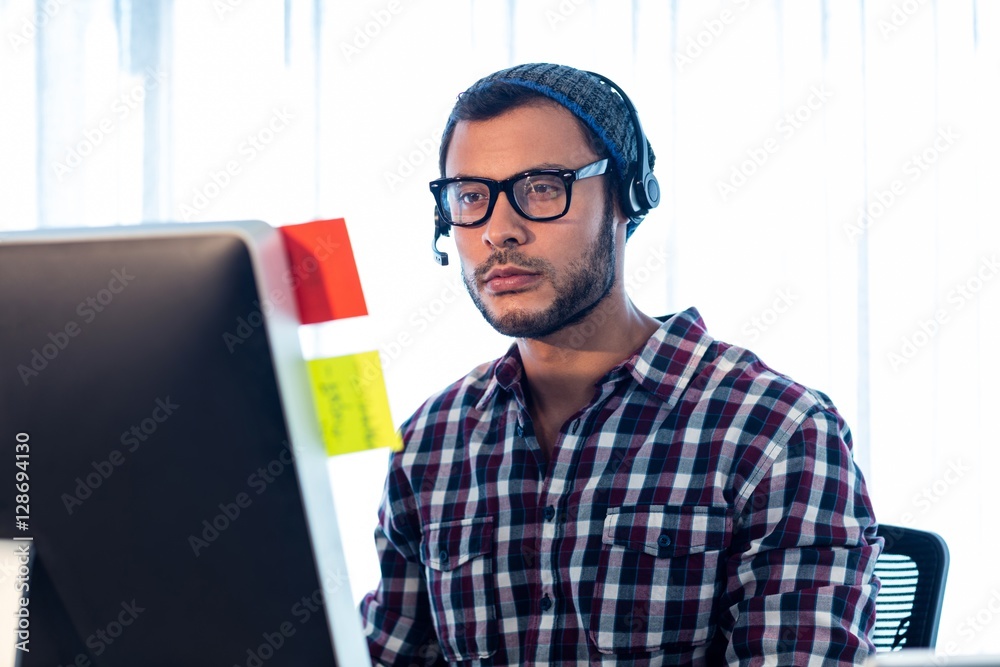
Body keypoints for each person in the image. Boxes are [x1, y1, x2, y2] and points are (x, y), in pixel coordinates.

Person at [360, 63, 881, 666]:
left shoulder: (777, 433)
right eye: (472, 197)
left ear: (626, 196)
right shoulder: (431, 441)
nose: (499, 230)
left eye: (542, 188)